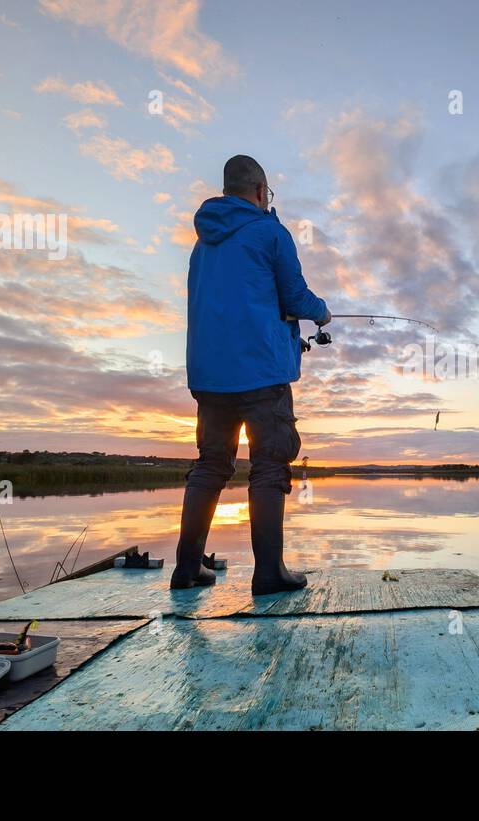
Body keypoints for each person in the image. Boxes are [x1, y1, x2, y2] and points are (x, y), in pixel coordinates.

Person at [170, 154, 331, 593]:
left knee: (210, 465)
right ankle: (269, 573)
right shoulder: (270, 232)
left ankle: (187, 569)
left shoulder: (201, 247)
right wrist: (323, 313)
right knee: (269, 465)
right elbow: (296, 298)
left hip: (209, 377)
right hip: (261, 373)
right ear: (261, 191)